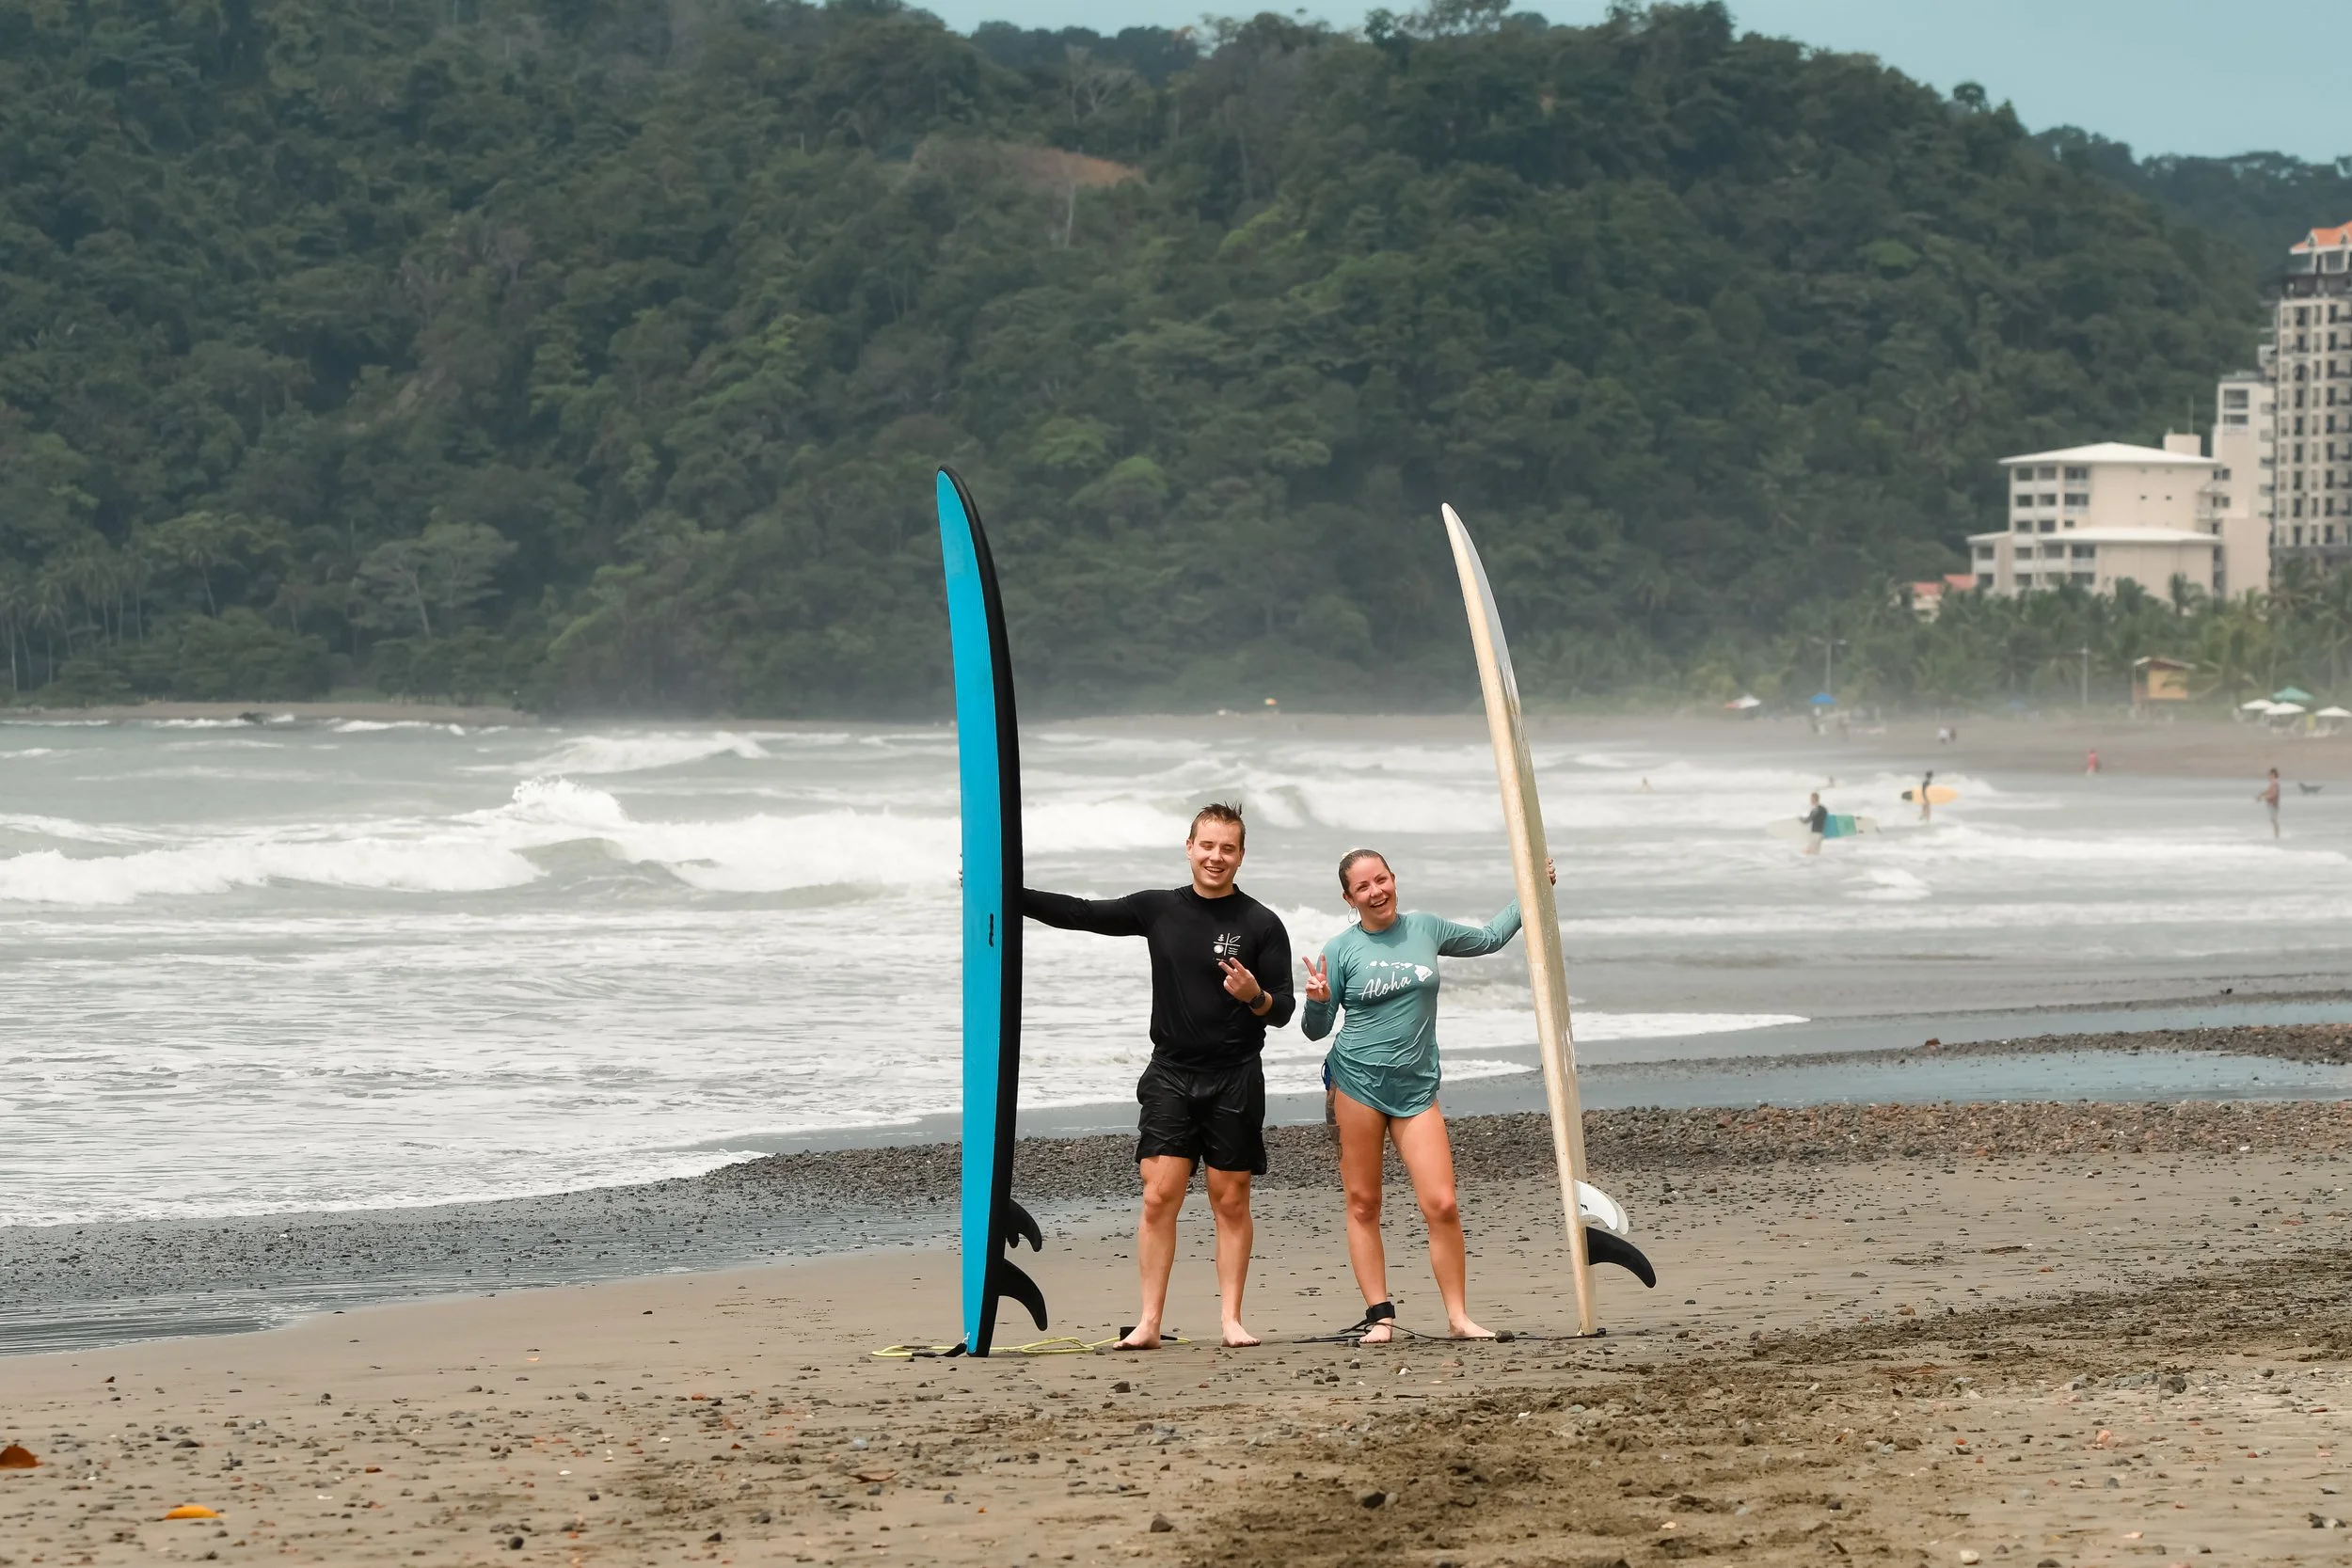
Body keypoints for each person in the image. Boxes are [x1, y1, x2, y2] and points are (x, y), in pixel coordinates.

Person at [1022, 802, 1294, 1349]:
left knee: (1231, 1199)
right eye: (1208, 845)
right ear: (1189, 847)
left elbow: (1284, 1009)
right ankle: (1148, 1322)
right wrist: (1008, 890)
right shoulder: (1158, 909)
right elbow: (1080, 912)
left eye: (1228, 848)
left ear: (1241, 855)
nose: (1217, 857)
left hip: (1235, 1075)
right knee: (1158, 1196)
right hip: (1171, 1072)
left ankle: (1231, 1320)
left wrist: (1255, 996)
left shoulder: (1260, 923)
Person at [1298, 849, 1554, 1343]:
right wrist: (1316, 1002)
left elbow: (1489, 938)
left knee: (1441, 1204)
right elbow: (1316, 1031)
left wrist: (1532, 891)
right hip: (1356, 1083)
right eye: (1364, 887)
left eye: (1383, 879)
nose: (1377, 892)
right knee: (1363, 1202)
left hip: (1416, 1089)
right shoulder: (1340, 950)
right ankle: (1380, 1317)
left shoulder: (1427, 928)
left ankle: (1458, 1318)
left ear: (1394, 878)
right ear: (1349, 898)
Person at [1803, 790, 1829, 855]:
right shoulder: (1824, 809)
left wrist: (1800, 820)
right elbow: (1826, 820)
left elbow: (1808, 820)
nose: (1810, 800)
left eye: (1811, 799)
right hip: (1821, 833)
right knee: (1816, 853)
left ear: (1814, 799)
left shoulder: (1815, 810)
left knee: (1807, 852)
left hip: (1815, 833)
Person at [2258, 767, 2281, 838]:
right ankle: (2276, 835)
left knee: (2273, 820)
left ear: (2273, 775)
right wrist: (2262, 794)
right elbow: (2268, 791)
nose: (2269, 776)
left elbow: (2273, 794)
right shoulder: (2273, 783)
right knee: (2273, 820)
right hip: (2272, 804)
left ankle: (2276, 835)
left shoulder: (2275, 783)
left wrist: (2263, 798)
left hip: (2273, 804)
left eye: (2270, 775)